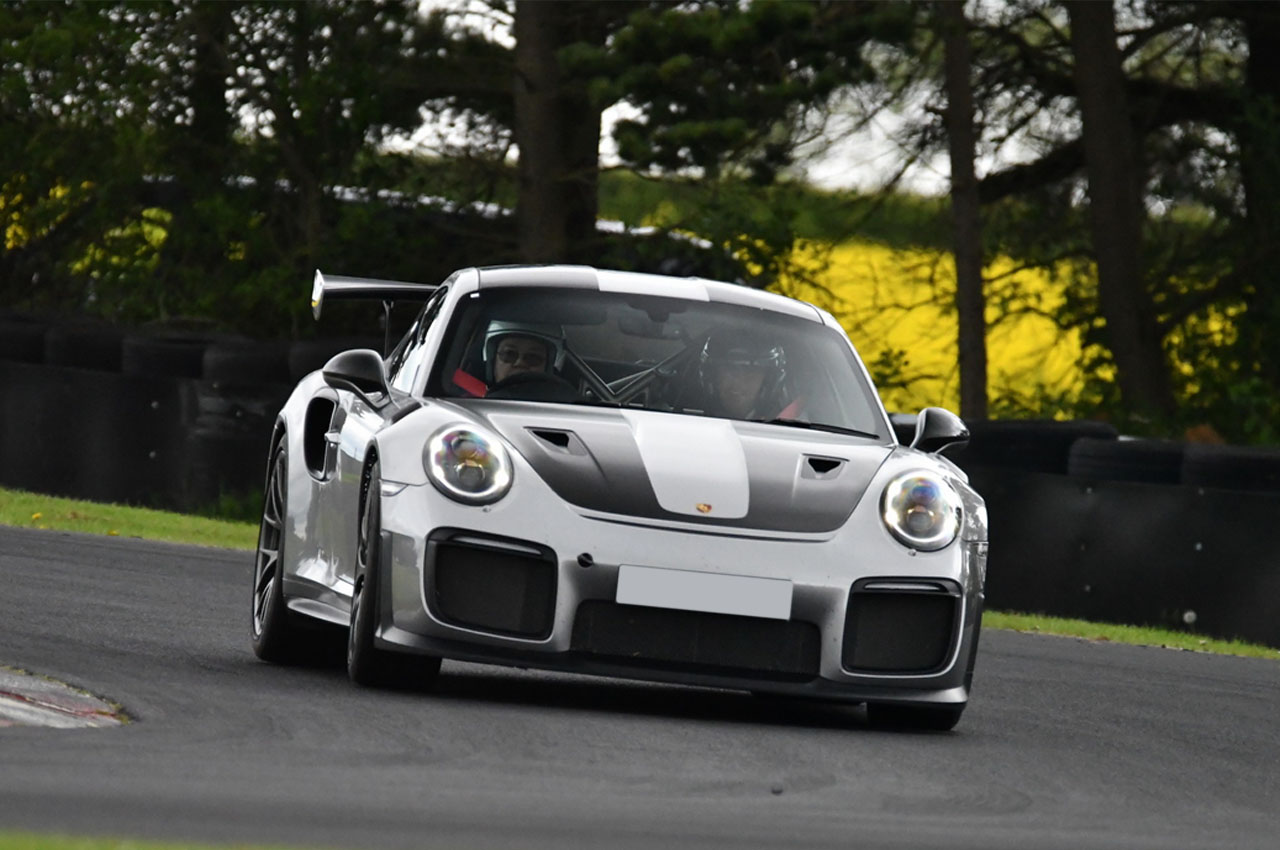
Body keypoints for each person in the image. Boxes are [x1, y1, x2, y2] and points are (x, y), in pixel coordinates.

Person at [695, 328, 791, 419]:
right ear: (713, 375)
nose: (738, 379)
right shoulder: (687, 418)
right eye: (731, 369)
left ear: (767, 380)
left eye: (750, 371)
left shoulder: (787, 427)